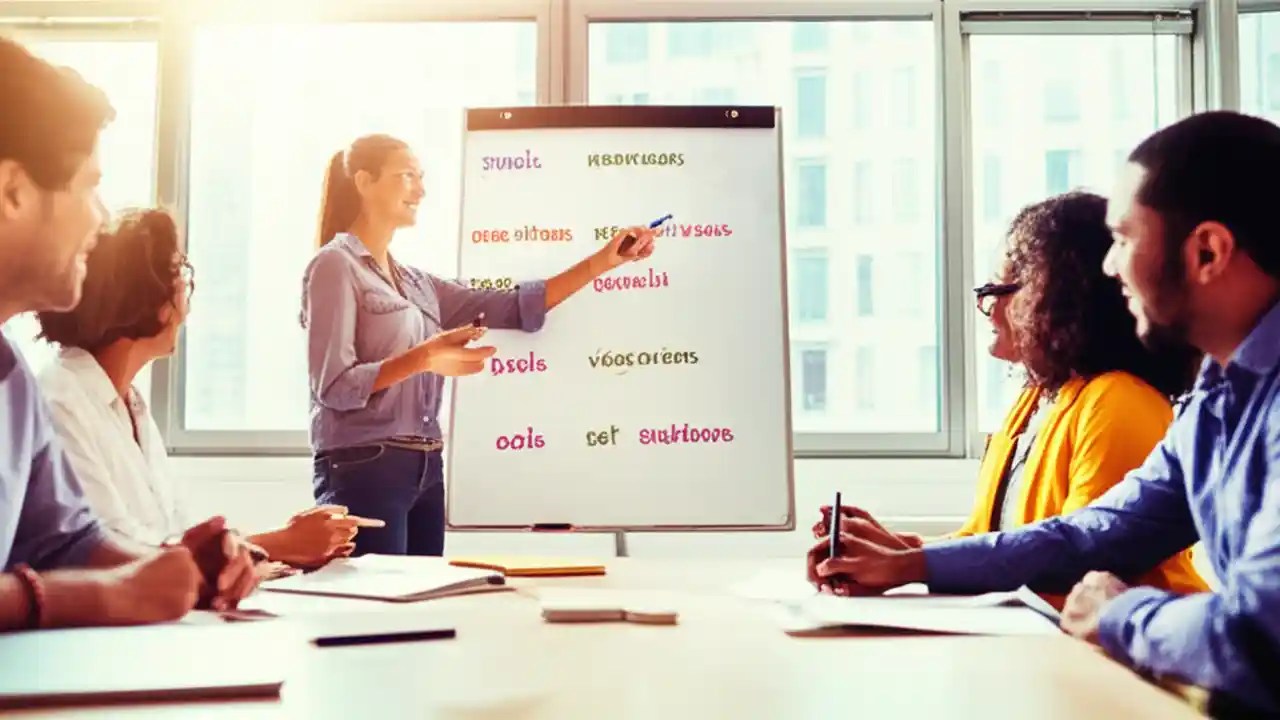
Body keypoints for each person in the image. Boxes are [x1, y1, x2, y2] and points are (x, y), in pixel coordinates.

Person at [809, 111, 1280, 716]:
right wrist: (912, 564)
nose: (1111, 268)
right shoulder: (1222, 394)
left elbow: (1260, 642)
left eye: (1125, 239)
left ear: (1208, 252)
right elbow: (1099, 532)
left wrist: (1120, 615)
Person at [815, 191, 1206, 605]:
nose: (987, 304)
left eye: (998, 287)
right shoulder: (1035, 400)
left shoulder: (1119, 402)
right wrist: (901, 551)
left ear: (1057, 296)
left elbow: (1079, 562)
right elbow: (1000, 542)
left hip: (1122, 660)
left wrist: (910, 563)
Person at [0, 36, 257, 630]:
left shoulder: (11, 382)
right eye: (88, 185)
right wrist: (101, 597)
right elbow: (83, 581)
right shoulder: (52, 388)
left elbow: (69, 543)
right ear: (14, 192)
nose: (100, 217)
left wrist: (177, 566)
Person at [304, 134, 657, 557]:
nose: (420, 189)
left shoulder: (417, 283)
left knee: (422, 607)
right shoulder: (334, 265)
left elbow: (514, 307)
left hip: (426, 467)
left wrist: (606, 260)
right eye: (406, 176)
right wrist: (425, 356)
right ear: (364, 181)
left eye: (421, 177)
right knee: (374, 613)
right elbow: (335, 385)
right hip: (364, 465)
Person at [34, 208, 379, 570]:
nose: (186, 298)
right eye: (178, 273)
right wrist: (279, 543)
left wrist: (273, 550)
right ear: (144, 294)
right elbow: (115, 552)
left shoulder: (129, 404)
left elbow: (176, 535)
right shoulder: (61, 401)